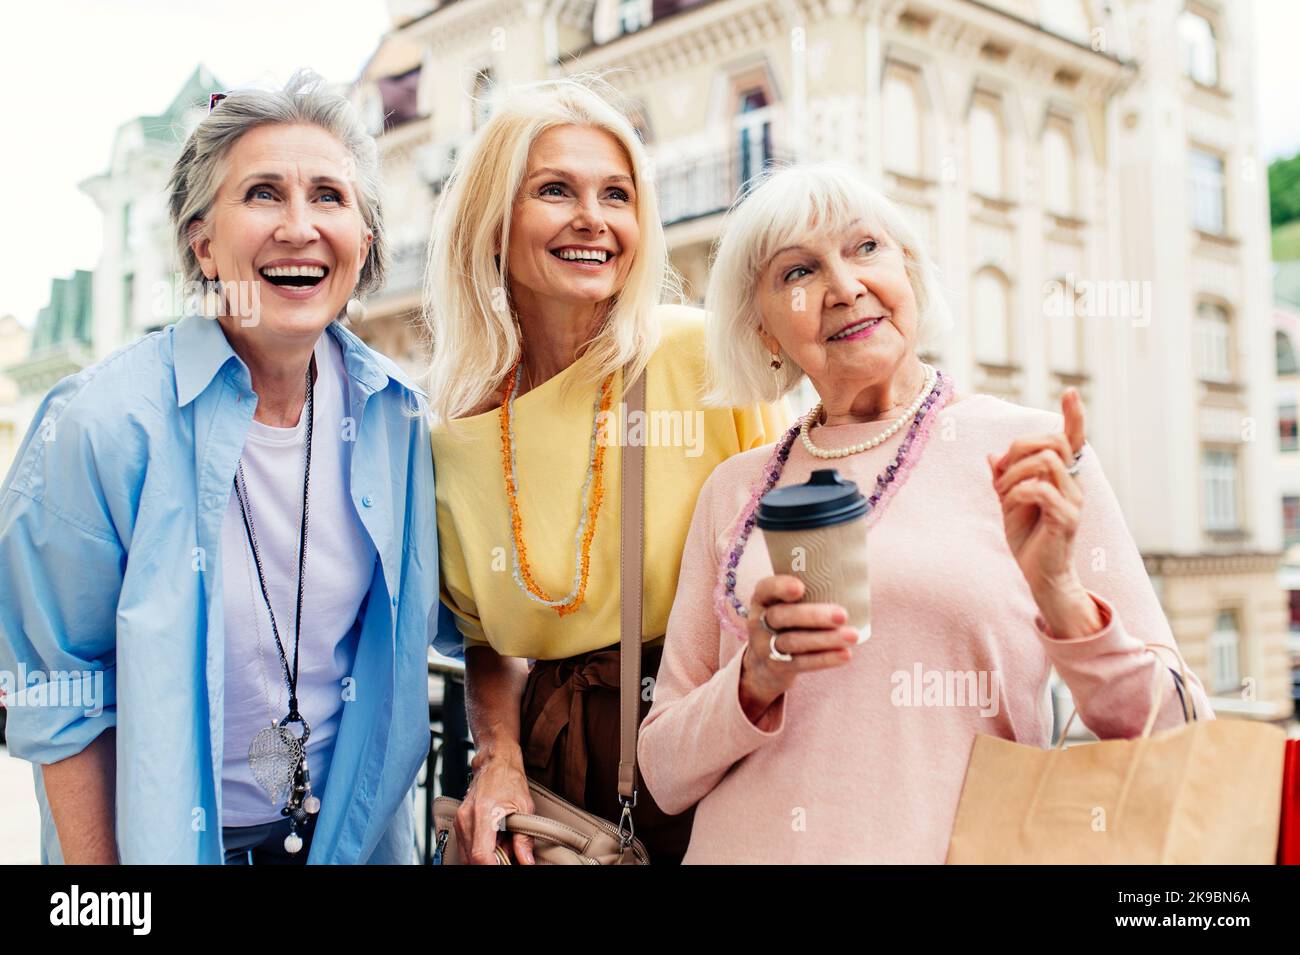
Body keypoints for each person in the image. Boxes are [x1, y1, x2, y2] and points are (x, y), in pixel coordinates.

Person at [636, 163, 1213, 863]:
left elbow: (1176, 727)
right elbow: (663, 774)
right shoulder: (734, 490)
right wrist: (754, 677)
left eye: (866, 248)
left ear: (907, 270)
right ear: (763, 331)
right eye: (798, 272)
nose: (845, 286)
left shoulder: (1032, 453)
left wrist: (1061, 596)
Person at [0, 71, 439, 864]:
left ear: (364, 245)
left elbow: (472, 620)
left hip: (351, 842)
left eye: (331, 197)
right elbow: (57, 695)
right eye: (264, 193)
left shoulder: (399, 418)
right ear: (202, 240)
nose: (300, 227)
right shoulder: (99, 423)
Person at [424, 76, 788, 864]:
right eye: (556, 189)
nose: (593, 217)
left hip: (720, 753)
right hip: (556, 791)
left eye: (616, 194)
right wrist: (499, 759)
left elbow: (794, 546)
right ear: (493, 223)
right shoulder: (456, 431)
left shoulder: (700, 357)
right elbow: (486, 642)